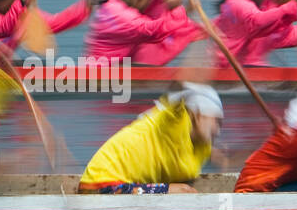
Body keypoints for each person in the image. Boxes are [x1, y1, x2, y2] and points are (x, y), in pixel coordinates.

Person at [78, 83, 223, 194]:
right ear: (197, 115)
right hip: (101, 185)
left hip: (128, 187)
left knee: (179, 189)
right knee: (173, 191)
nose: (217, 130)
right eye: (215, 121)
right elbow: (179, 86)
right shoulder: (174, 120)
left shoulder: (200, 148)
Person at [84, 0, 201, 64]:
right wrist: (186, 10)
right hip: (133, 68)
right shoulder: (148, 10)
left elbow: (209, 29)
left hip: (146, 74)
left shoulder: (183, 21)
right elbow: (156, 28)